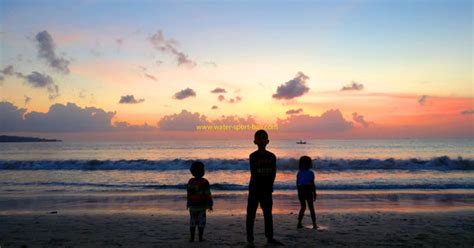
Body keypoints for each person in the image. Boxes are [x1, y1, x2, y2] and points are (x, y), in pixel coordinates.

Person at [246, 130, 282, 246]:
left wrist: (270, 185)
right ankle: (250, 239)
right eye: (259, 138)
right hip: (254, 189)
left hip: (266, 189)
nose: (261, 140)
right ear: (254, 141)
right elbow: (254, 173)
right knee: (251, 214)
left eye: (264, 138)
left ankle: (269, 237)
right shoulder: (253, 156)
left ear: (268, 141)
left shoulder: (272, 156)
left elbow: (273, 172)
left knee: (268, 214)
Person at [187, 161, 213, 242]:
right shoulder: (204, 182)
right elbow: (207, 194)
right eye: (203, 169)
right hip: (202, 206)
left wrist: (188, 203)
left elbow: (189, 193)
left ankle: (192, 238)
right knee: (201, 222)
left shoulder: (190, 181)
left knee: (192, 222)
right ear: (202, 172)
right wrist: (210, 203)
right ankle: (200, 238)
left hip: (192, 206)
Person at [296, 156, 318, 229]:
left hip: (301, 190)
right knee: (311, 207)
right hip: (308, 190)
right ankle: (314, 224)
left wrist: (298, 192)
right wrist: (314, 192)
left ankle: (299, 223)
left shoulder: (299, 173)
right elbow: (312, 184)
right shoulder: (311, 173)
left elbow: (297, 184)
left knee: (303, 207)